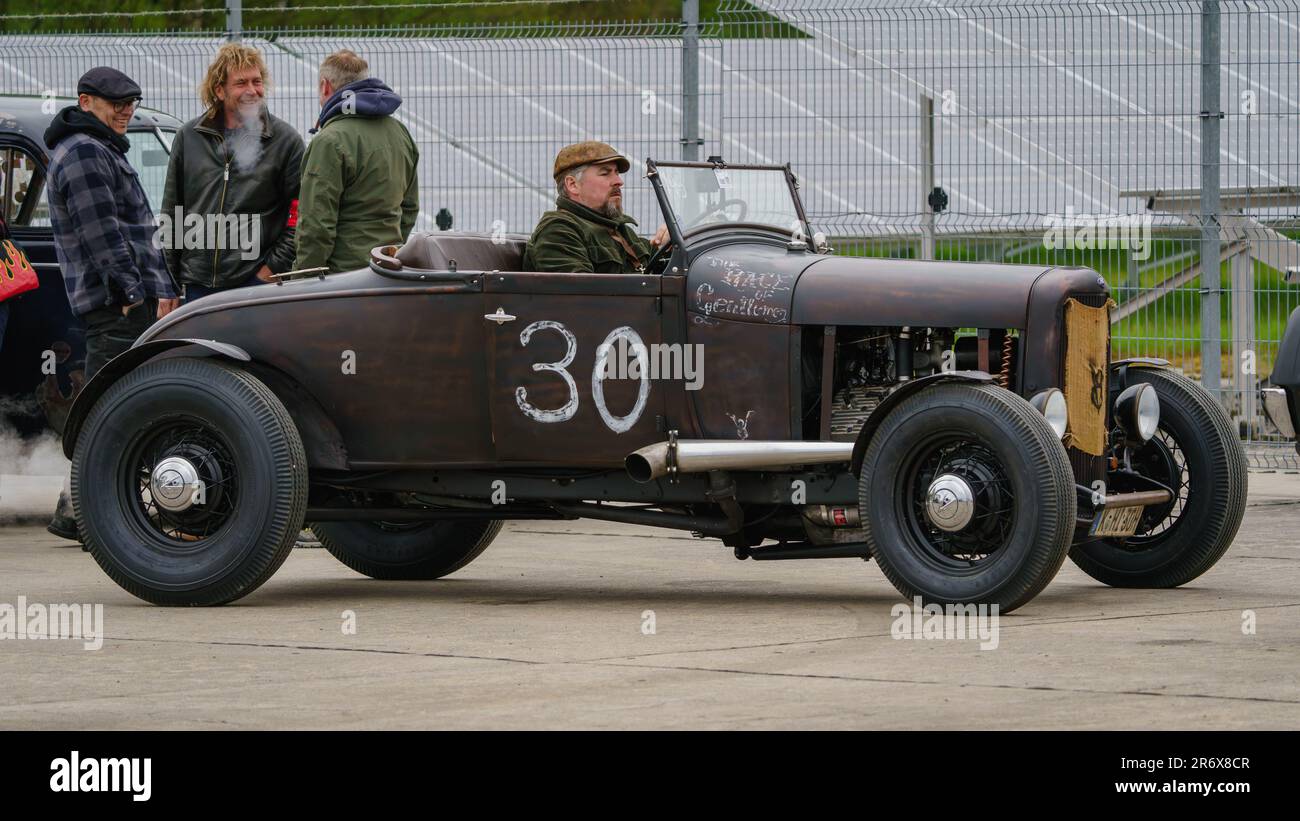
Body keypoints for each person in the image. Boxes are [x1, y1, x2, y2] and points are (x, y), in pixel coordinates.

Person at [43, 66, 180, 542]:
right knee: (110, 407)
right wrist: (130, 294)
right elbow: (102, 234)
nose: (126, 110)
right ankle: (89, 512)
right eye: (115, 102)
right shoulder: (84, 151)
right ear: (85, 102)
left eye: (131, 102)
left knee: (108, 402)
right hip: (116, 302)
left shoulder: (96, 148)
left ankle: (73, 508)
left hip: (119, 299)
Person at [162, 44, 305, 301]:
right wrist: (167, 283)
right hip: (198, 285)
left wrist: (270, 271)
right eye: (241, 83)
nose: (252, 91)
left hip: (255, 286)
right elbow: (173, 211)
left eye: (257, 81)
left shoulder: (285, 141)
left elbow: (301, 214)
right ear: (219, 90)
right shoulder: (188, 137)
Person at [292, 49, 419, 274]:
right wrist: (389, 252)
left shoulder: (329, 141)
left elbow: (316, 226)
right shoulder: (400, 133)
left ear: (325, 86)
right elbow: (409, 208)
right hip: (389, 272)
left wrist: (304, 280)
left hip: (341, 280)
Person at [523, 141, 669, 274]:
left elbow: (659, 265)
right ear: (573, 185)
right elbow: (581, 295)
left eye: (617, 173)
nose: (619, 181)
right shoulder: (558, 231)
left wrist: (667, 244)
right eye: (605, 173)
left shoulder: (619, 230)